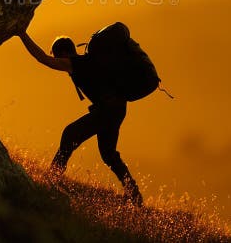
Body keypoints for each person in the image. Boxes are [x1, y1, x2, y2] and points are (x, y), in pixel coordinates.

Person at [17, 29, 144, 205]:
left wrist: (22, 34)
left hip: (107, 110)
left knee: (70, 134)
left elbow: (43, 59)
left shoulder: (75, 63)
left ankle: (52, 178)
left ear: (63, 53)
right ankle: (134, 194)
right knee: (108, 154)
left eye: (58, 56)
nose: (59, 61)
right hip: (117, 107)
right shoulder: (88, 61)